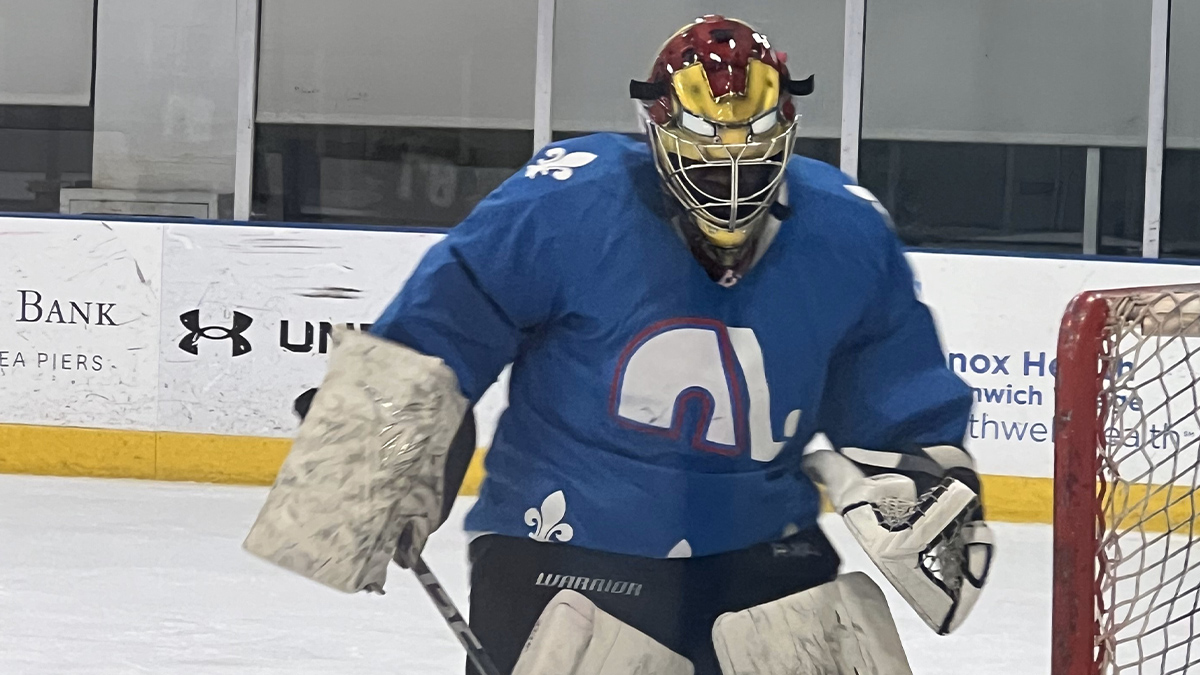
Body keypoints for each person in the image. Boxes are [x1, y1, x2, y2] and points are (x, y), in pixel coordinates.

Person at [246, 15, 994, 675]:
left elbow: (894, 383)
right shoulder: (565, 203)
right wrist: (379, 442)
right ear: (656, 129)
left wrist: (928, 478)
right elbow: (445, 325)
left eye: (753, 151)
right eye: (707, 153)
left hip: (764, 549)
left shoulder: (846, 228)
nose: (732, 177)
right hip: (564, 543)